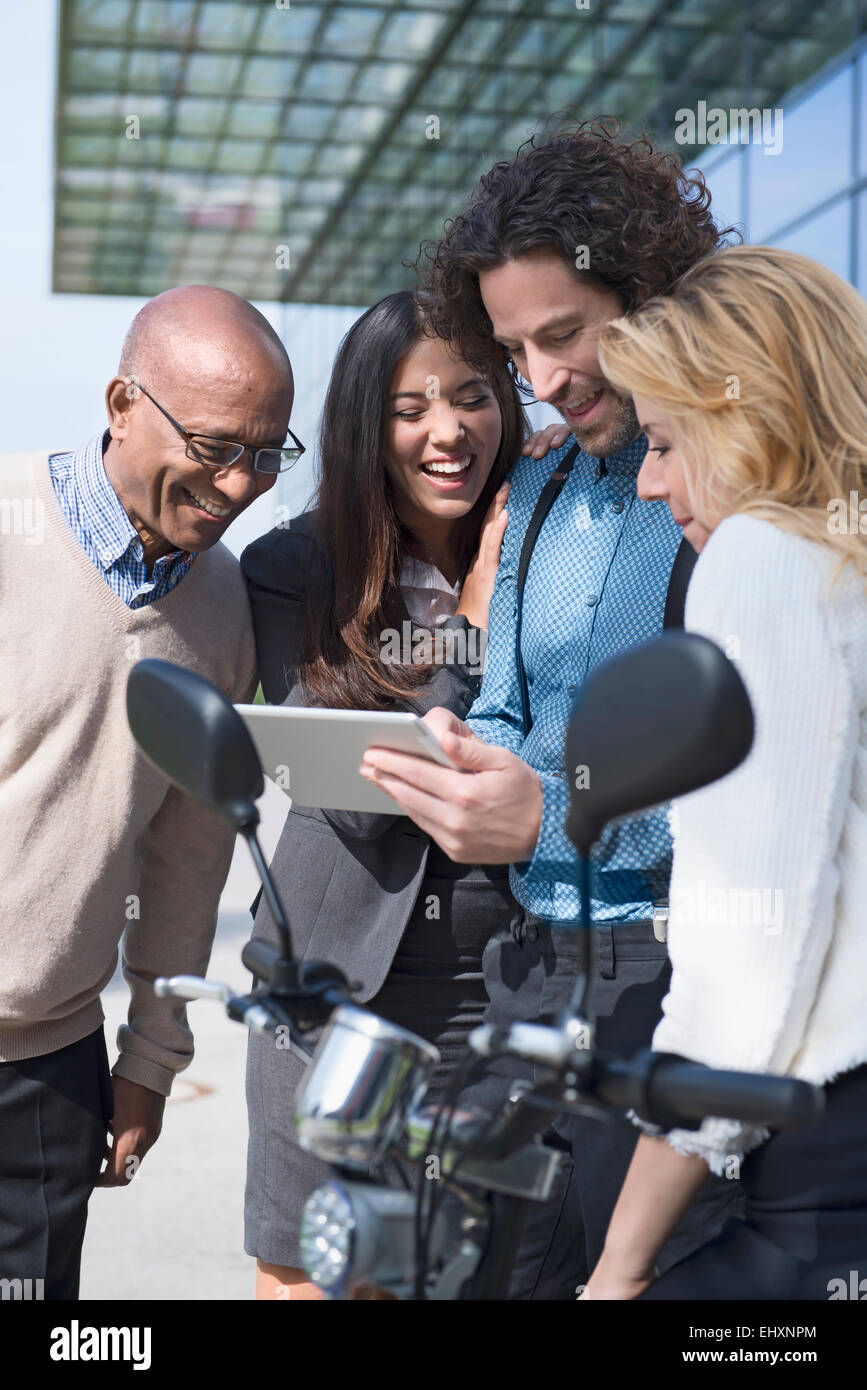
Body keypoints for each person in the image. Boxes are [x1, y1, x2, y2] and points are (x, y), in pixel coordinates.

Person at [359, 116, 744, 1294]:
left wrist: (560, 813)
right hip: (528, 973)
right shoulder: (543, 477)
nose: (543, 379)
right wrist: (482, 768)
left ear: (652, 291)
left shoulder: (728, 479)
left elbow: (768, 779)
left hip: (674, 975)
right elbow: (520, 706)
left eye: (568, 334)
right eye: (517, 348)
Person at [575, 244, 867, 1300]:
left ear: (749, 414)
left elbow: (748, 965)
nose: (649, 483)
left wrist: (618, 1265)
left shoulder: (761, 560)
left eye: (661, 441)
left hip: (822, 1173)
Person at [0, 285, 297, 1299]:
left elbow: (186, 853)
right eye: (216, 445)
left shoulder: (222, 608)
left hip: (49, 1070)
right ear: (123, 401)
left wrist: (152, 1057)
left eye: (267, 454)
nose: (240, 483)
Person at [240, 289, 529, 1301]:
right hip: (331, 998)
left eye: (474, 396)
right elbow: (361, 790)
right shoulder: (292, 568)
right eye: (412, 406)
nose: (449, 430)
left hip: (505, 993)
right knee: (319, 1273)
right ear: (367, 424)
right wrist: (475, 617)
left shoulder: (553, 548)